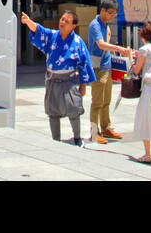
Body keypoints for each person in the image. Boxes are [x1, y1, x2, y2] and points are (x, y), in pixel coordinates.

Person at [19, 9, 95, 146]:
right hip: (52, 80)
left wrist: (83, 85)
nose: (62, 22)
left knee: (73, 110)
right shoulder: (53, 36)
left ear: (73, 26)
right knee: (52, 111)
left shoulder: (78, 42)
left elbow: (84, 64)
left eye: (66, 21)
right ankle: (55, 139)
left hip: (68, 82)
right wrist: (29, 22)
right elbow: (40, 31)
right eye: (62, 19)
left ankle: (77, 137)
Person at [86, 0, 131, 143]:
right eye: (110, 13)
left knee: (106, 100)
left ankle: (106, 127)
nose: (112, 16)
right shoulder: (95, 25)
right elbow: (100, 44)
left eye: (114, 14)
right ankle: (94, 132)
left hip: (106, 66)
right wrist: (118, 49)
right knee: (97, 101)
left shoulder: (106, 24)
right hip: (98, 67)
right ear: (103, 10)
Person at [129, 21, 151, 163]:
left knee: (146, 118)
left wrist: (131, 58)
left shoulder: (145, 49)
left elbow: (137, 70)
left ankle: (147, 153)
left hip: (149, 87)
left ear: (144, 35)